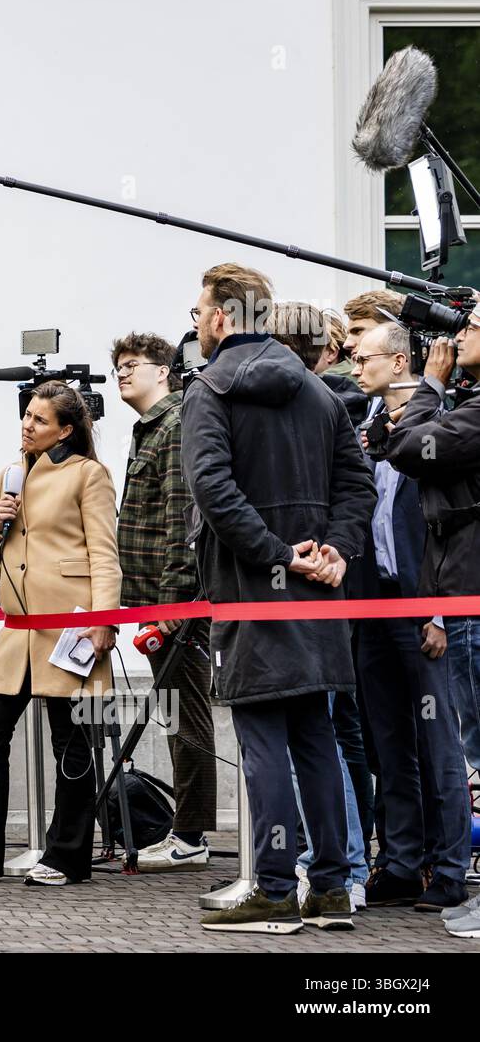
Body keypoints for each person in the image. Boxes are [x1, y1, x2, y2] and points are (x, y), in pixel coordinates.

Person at [182, 264, 376, 935]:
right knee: (315, 735)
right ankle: (328, 888)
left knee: (263, 739)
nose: (197, 322)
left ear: (222, 317)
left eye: (199, 311)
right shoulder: (320, 395)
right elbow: (358, 483)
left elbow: (212, 489)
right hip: (316, 590)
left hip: (250, 590)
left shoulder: (208, 391)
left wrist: (276, 553)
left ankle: (271, 887)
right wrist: (334, 551)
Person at [0, 382, 121, 888]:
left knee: (72, 747)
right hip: (17, 633)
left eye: (39, 419)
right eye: (26, 416)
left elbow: (104, 553)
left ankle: (67, 857)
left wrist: (104, 619)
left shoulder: (88, 474)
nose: (26, 425)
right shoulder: (9, 475)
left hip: (70, 629)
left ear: (66, 429)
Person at [350, 320, 470, 912]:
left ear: (400, 364)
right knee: (389, 740)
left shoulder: (442, 421)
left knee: (440, 744)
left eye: (364, 357)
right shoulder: (368, 426)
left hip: (427, 607)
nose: (354, 367)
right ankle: (401, 862)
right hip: (373, 606)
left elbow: (440, 526)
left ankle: (450, 867)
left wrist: (440, 615)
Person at [265, 302, 372, 911]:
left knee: (321, 735)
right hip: (325, 588)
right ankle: (337, 869)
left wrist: (328, 550)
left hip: (320, 593)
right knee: (330, 734)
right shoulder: (328, 405)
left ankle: (341, 868)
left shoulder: (329, 405)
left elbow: (353, 489)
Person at [384, 307, 480, 935]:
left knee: (475, 749)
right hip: (458, 588)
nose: (459, 334)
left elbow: (410, 448)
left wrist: (431, 389)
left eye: (473, 326)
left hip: (471, 596)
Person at [109, 332, 216, 870]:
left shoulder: (173, 427)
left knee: (186, 715)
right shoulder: (148, 429)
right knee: (177, 713)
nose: (123, 374)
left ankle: (191, 837)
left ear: (164, 370)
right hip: (154, 598)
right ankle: (187, 832)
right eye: (118, 367)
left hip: (174, 604)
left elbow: (182, 519)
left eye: (133, 365)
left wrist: (173, 602)